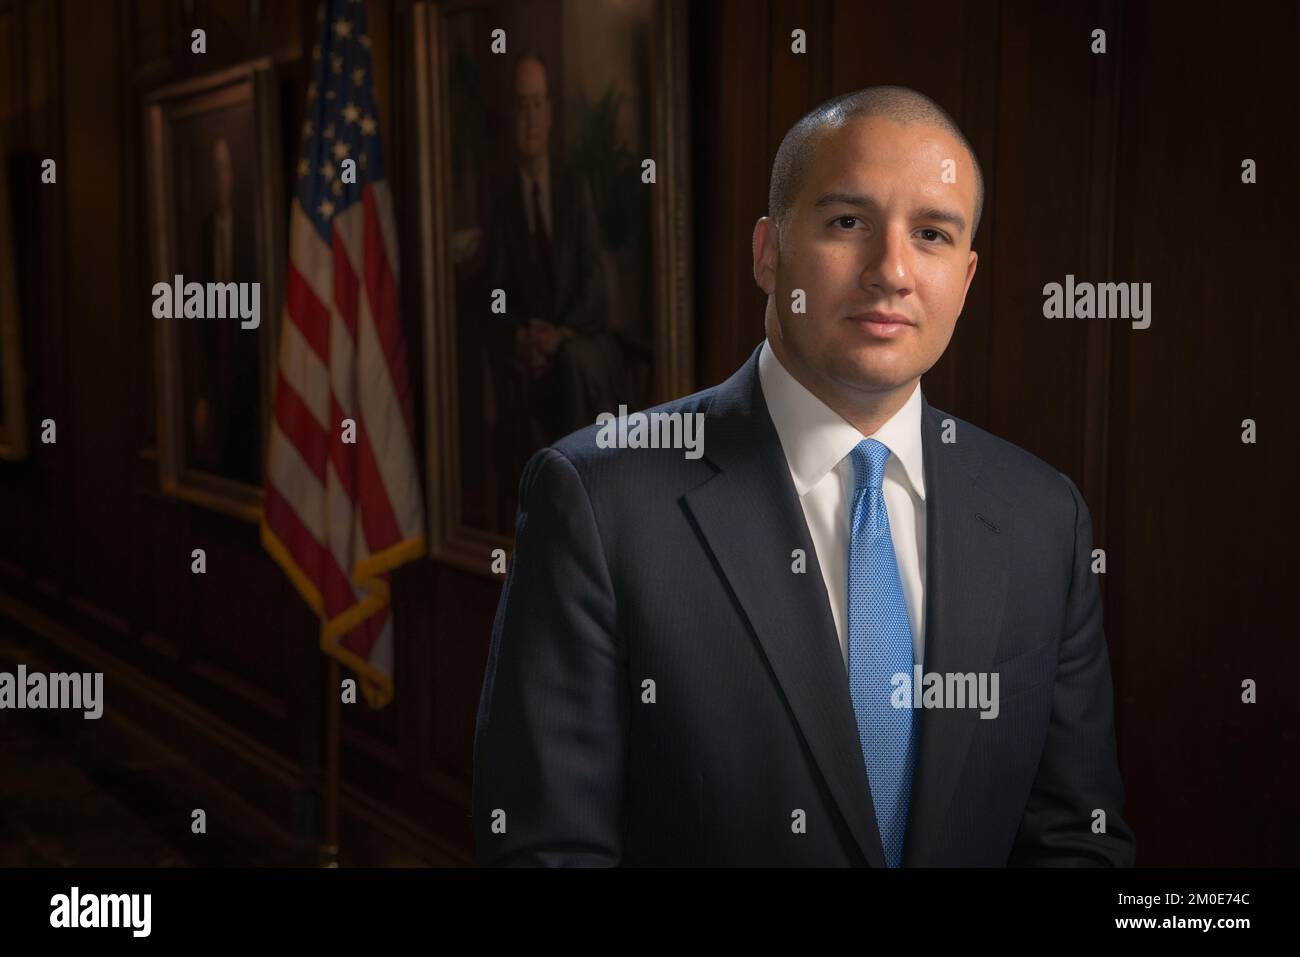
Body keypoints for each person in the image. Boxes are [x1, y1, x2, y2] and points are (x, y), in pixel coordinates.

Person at [473, 85, 1136, 866]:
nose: (891, 270)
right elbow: (546, 852)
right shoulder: (597, 500)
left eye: (931, 233)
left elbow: (1075, 840)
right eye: (848, 222)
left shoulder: (1043, 519)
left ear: (965, 277)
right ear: (768, 252)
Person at [480, 51, 624, 528]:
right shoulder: (498, 199)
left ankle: (582, 508)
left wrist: (558, 336)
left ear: (550, 111)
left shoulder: (572, 187)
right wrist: (521, 336)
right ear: (511, 115)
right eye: (522, 105)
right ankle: (541, 519)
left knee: (571, 363)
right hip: (526, 353)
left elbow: (594, 287)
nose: (531, 118)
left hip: (577, 342)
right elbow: (492, 292)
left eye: (538, 104)